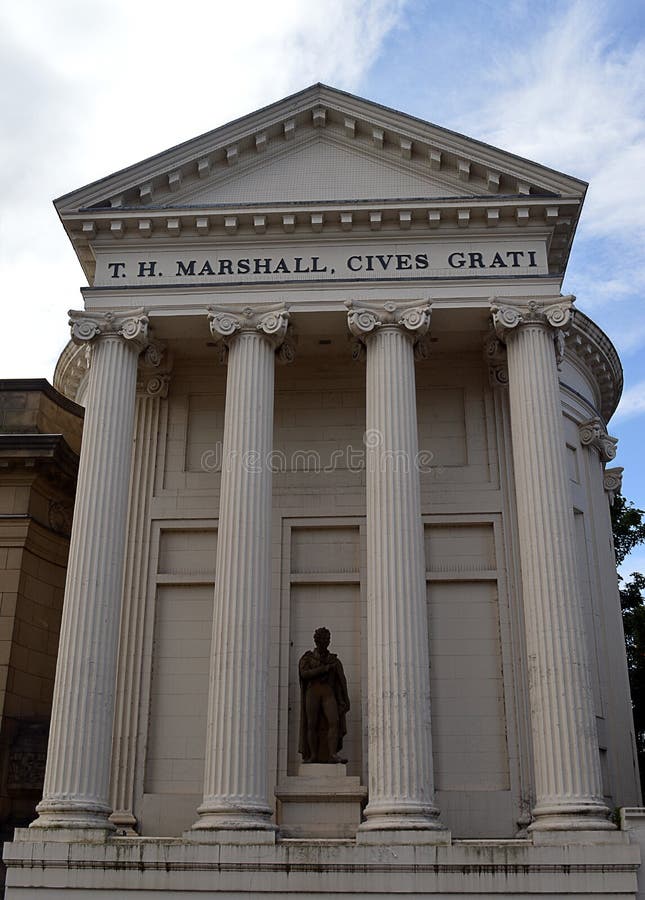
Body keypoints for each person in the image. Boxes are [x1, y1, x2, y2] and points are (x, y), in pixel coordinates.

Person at [298, 627, 350, 764]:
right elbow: (304, 674)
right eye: (322, 640)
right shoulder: (308, 658)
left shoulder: (334, 660)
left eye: (327, 640)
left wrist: (345, 699)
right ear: (317, 641)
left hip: (328, 692)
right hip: (313, 692)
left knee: (334, 721)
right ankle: (313, 755)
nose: (325, 642)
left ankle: (332, 754)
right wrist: (324, 669)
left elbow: (342, 681)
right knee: (311, 724)